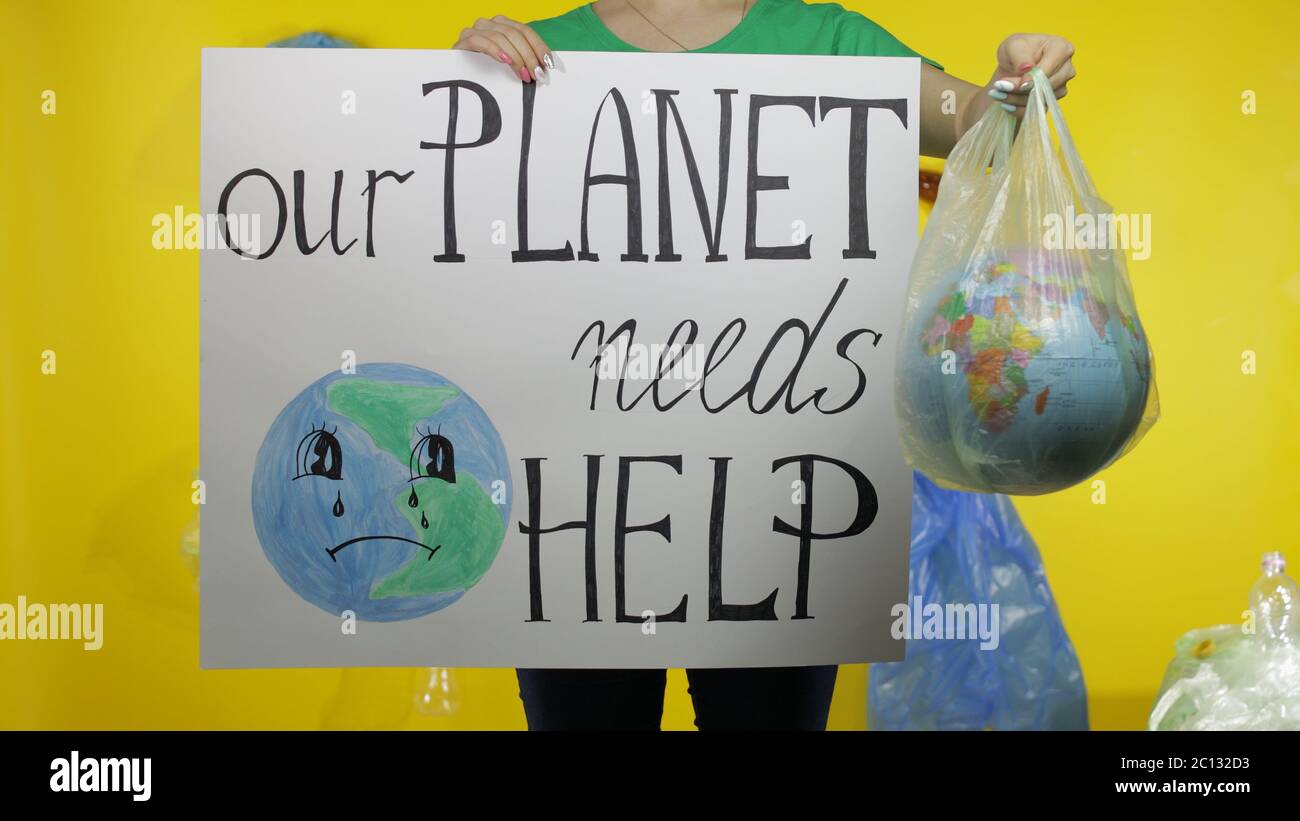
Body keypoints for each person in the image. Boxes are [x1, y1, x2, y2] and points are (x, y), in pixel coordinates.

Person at [453, 0, 1077, 731]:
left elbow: (974, 117)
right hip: (578, 517)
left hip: (780, 515)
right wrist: (469, 79)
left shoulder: (832, 42)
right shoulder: (532, 54)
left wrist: (1011, 86)